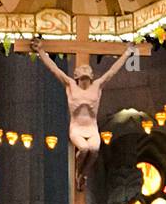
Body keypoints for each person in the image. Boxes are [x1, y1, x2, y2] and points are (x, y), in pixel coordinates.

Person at [30, 38, 128, 191]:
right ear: (76, 77)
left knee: (94, 150)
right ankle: (78, 173)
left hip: (92, 127)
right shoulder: (70, 85)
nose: (84, 80)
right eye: (81, 78)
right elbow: (54, 69)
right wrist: (41, 51)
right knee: (83, 148)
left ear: (91, 77)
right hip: (77, 127)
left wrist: (128, 53)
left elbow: (112, 72)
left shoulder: (97, 86)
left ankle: (83, 174)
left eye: (86, 77)